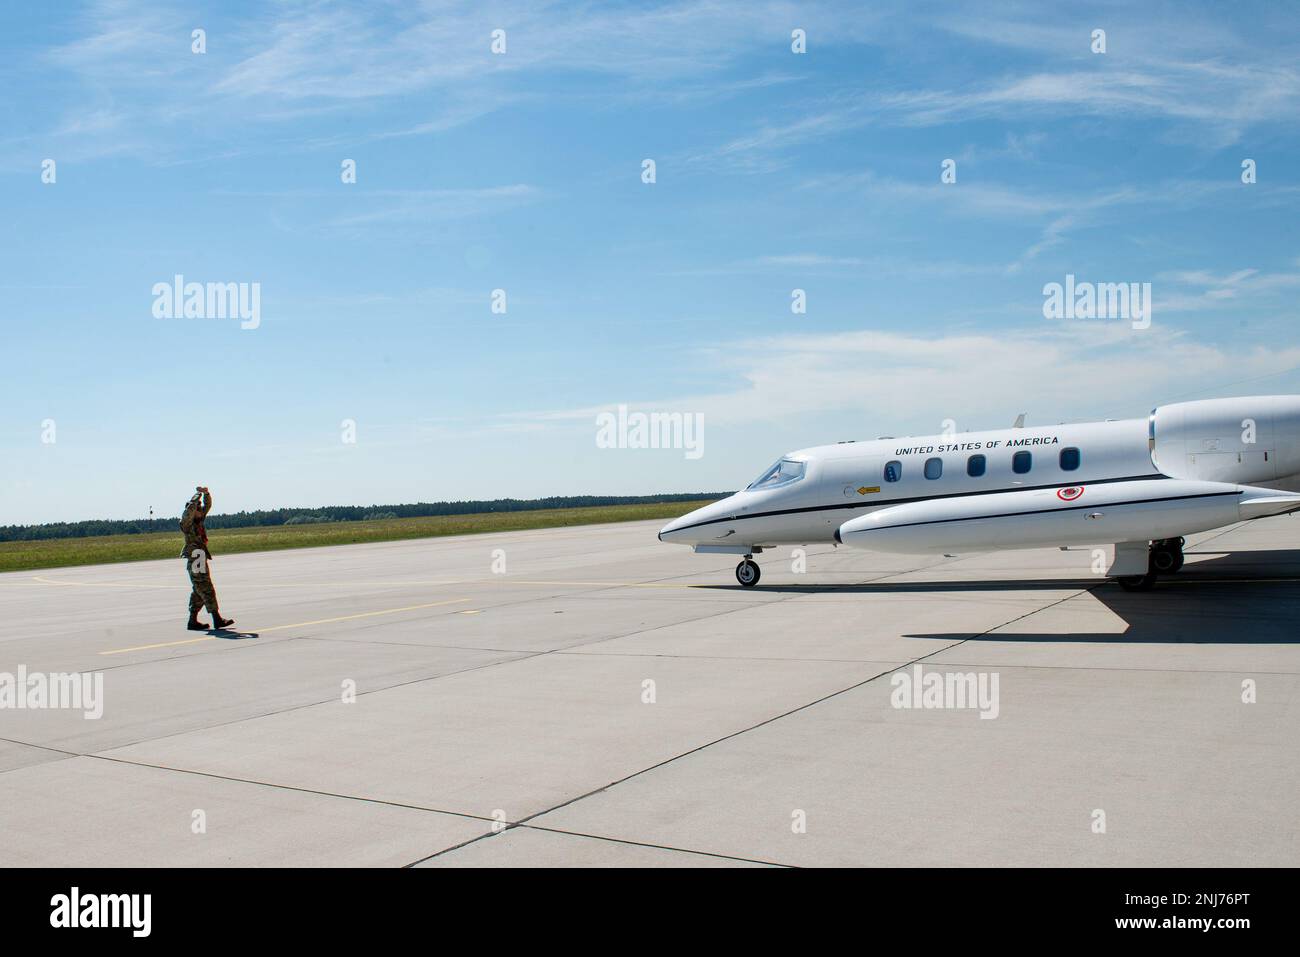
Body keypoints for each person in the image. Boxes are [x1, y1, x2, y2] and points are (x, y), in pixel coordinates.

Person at [180, 486, 234, 630]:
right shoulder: (187, 525)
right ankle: (217, 619)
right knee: (207, 589)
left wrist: (206, 494)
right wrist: (197, 495)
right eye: (198, 508)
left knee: (199, 591)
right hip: (195, 560)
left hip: (200, 558)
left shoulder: (199, 520)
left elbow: (208, 505)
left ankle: (192, 621)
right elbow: (189, 512)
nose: (201, 510)